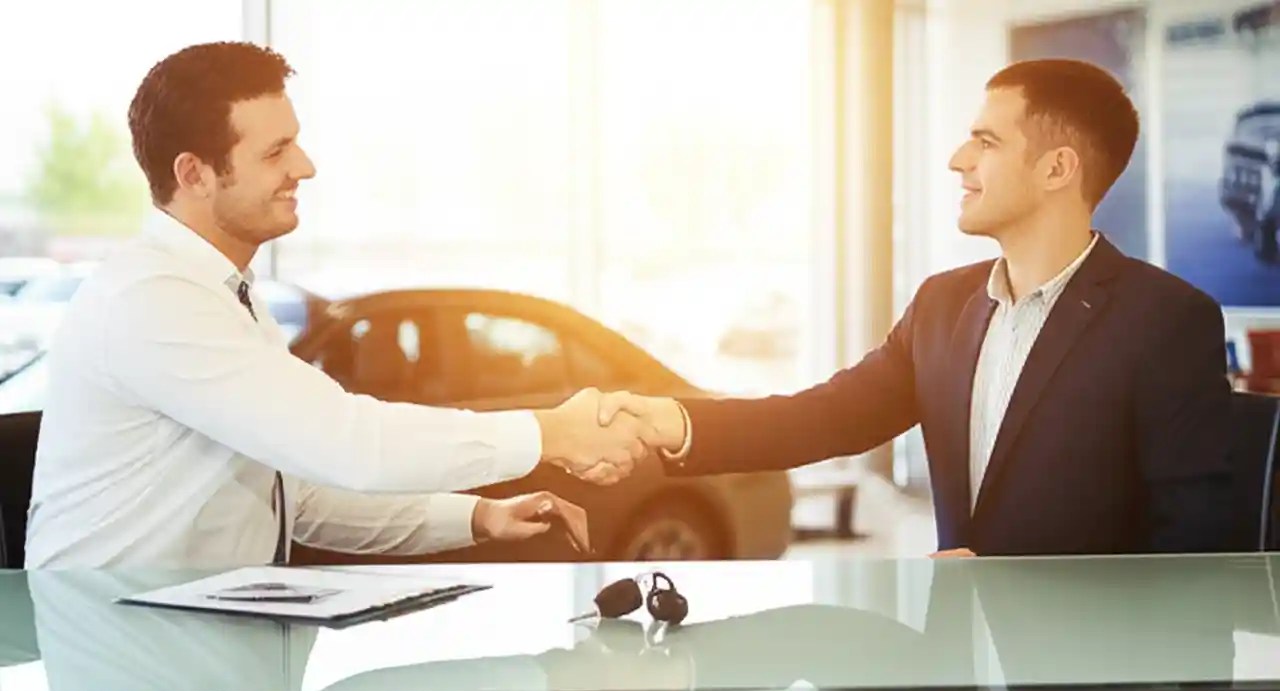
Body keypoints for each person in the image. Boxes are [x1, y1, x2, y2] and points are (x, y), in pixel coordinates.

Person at [25, 41, 655, 569]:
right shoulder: (151, 301)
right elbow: (346, 441)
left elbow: (298, 498)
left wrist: (481, 515)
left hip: (196, 653)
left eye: (294, 143)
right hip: (121, 665)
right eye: (274, 152)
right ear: (194, 174)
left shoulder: (224, 296)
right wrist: (551, 433)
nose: (305, 166)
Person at [601, 59, 1237, 556]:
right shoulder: (943, 305)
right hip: (961, 666)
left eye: (985, 142)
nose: (958, 160)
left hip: (1097, 685)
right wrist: (677, 424)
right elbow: (825, 418)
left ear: (1057, 169)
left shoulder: (1167, 323)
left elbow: (1197, 553)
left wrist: (1026, 592)